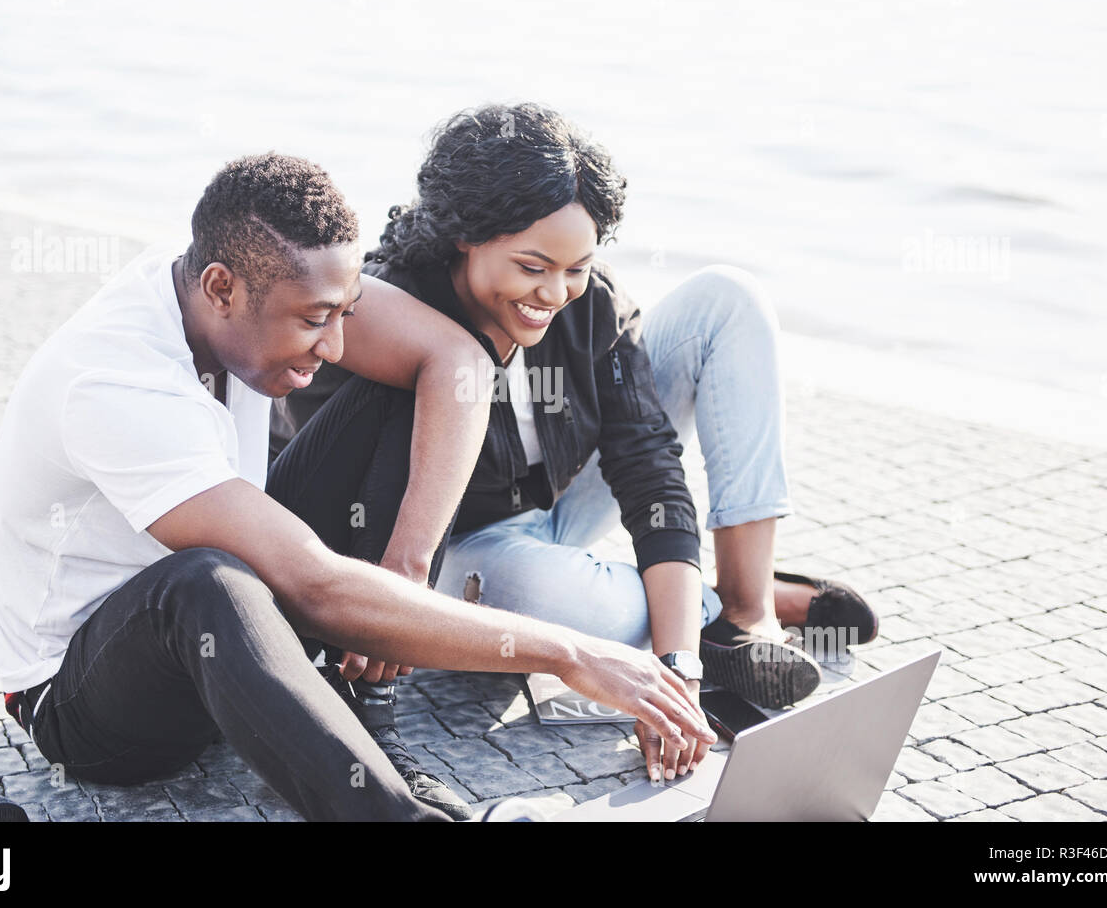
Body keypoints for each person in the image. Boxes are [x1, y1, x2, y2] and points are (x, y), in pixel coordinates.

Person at [0, 153, 715, 822]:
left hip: (241, 639)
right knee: (206, 581)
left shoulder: (236, 282)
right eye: (312, 322)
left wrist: (405, 569)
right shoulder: (116, 382)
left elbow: (456, 360)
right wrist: (572, 653)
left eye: (343, 313)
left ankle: (368, 714)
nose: (332, 347)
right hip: (91, 704)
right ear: (221, 289)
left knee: (400, 388)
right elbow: (312, 585)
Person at [278, 103, 878, 785]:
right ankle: (700, 606)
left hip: (562, 502)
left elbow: (650, 468)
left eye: (577, 266)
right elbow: (349, 494)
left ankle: (745, 609)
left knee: (728, 299)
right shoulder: (389, 309)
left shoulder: (584, 301)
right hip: (460, 544)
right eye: (533, 266)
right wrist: (394, 605)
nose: (554, 292)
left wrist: (677, 671)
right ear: (464, 237)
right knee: (568, 606)